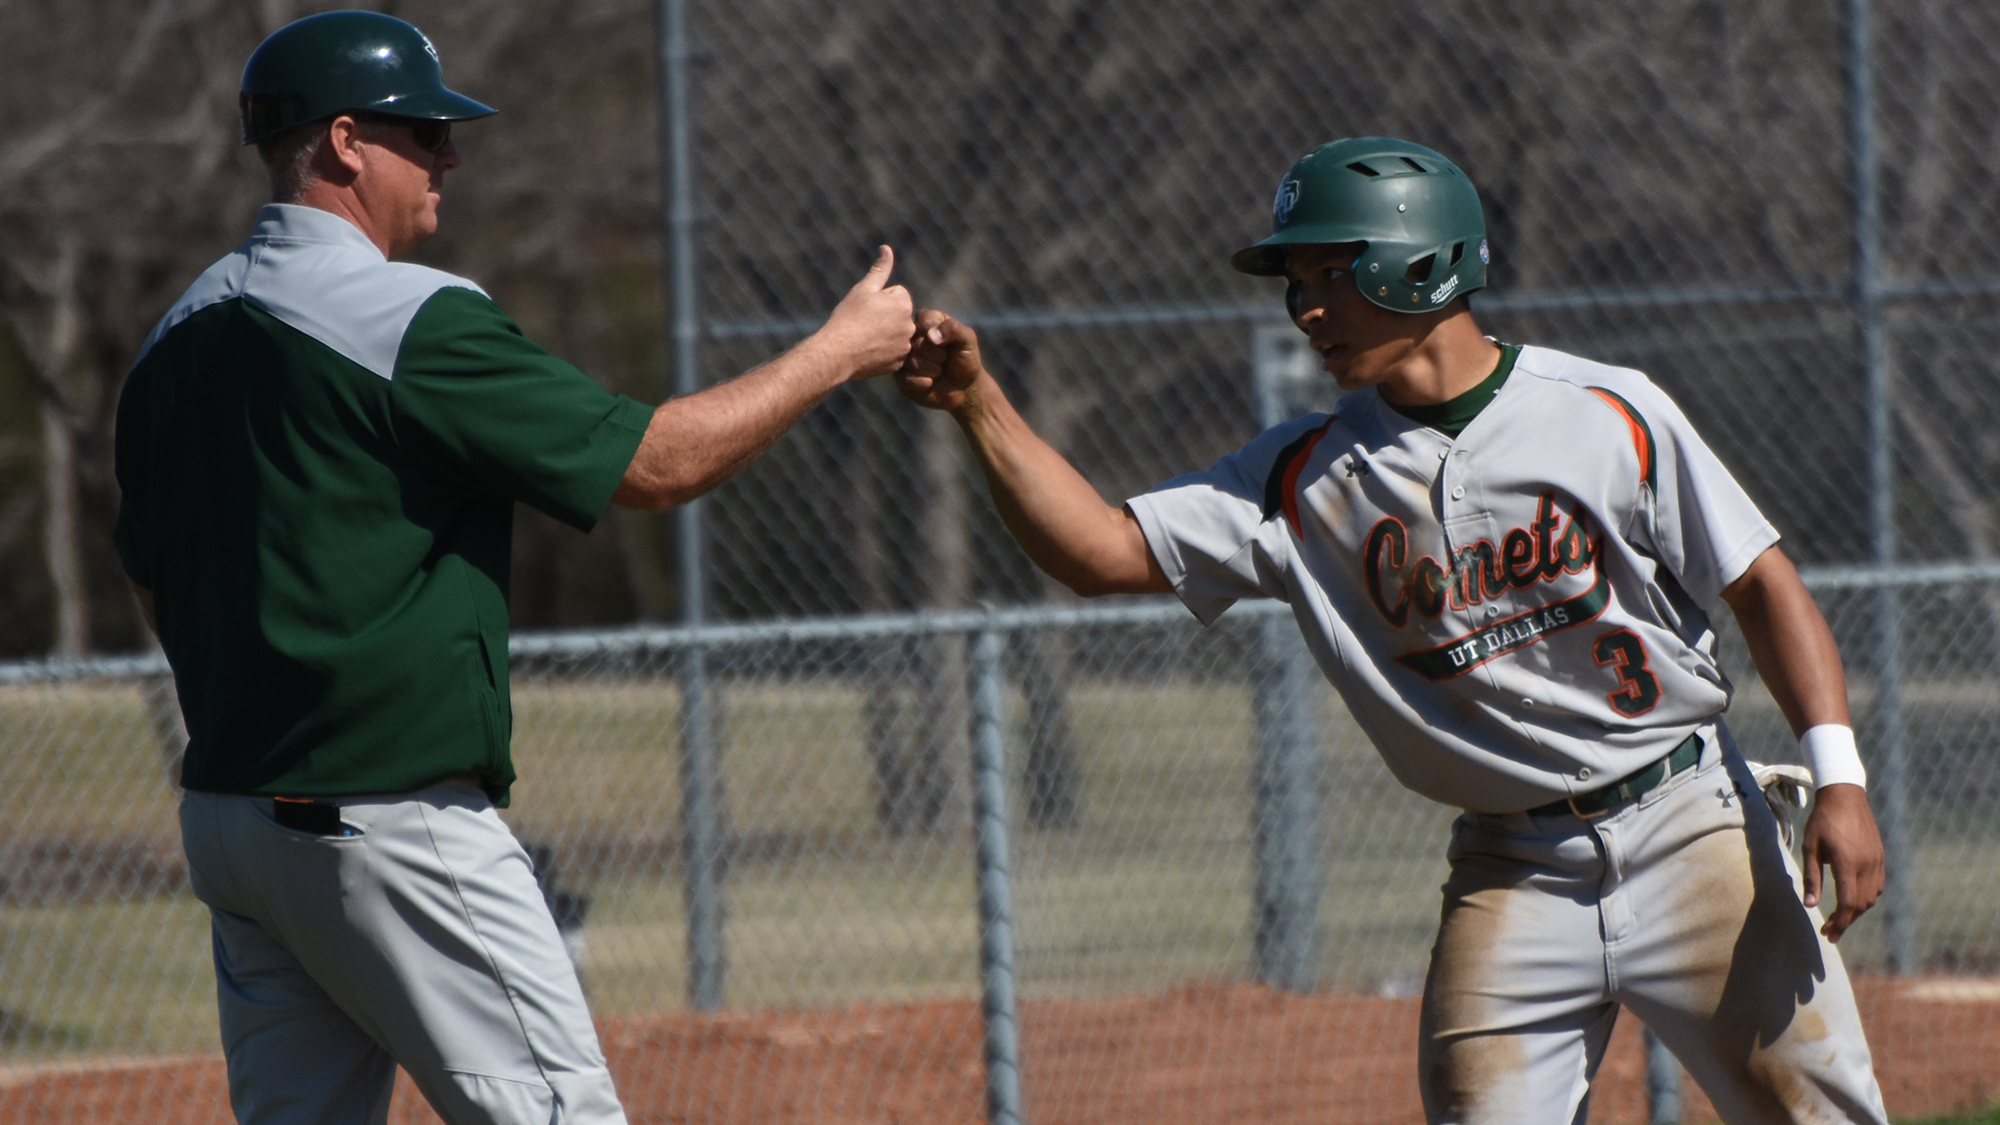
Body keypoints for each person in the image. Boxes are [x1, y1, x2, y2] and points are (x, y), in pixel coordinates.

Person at [895, 136, 1890, 1125]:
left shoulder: (1602, 411)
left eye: (1333, 272)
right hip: (1514, 870)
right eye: (1295, 280)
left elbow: (1761, 586)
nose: (1305, 308)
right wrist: (978, 405)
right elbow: (1099, 552)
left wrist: (1837, 778)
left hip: (1694, 829)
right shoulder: (1301, 474)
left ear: (1424, 264)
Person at [112, 11, 913, 1125]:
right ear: (346, 142)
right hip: (389, 821)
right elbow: (656, 462)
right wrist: (839, 352)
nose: (451, 156)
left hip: (236, 828)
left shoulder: (172, 339)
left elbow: (153, 582)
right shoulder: (408, 318)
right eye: (425, 131)